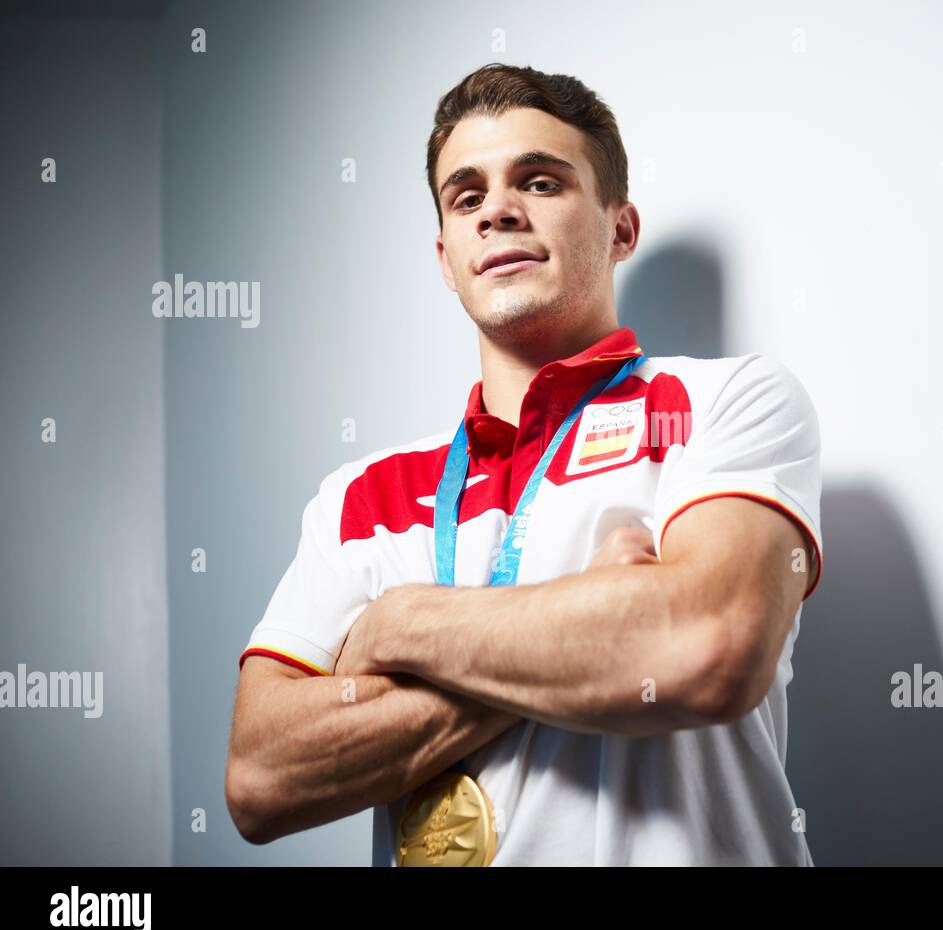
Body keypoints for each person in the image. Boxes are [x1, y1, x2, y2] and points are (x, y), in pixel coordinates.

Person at [225, 62, 824, 866]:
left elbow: (705, 648)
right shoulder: (360, 497)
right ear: (446, 257)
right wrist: (597, 616)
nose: (498, 210)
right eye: (466, 197)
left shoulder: (725, 404)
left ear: (620, 228)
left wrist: (400, 626)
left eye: (540, 182)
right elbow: (261, 780)